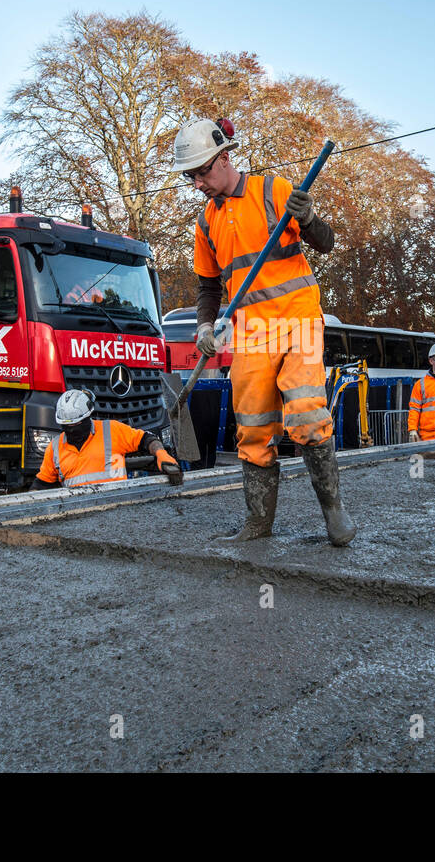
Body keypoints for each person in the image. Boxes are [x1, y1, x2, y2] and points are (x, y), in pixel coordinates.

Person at [174, 116, 356, 546]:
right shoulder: (206, 223)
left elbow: (326, 242)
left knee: (308, 417)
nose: (198, 182)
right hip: (250, 334)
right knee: (253, 429)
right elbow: (208, 285)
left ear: (224, 158)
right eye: (191, 176)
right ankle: (259, 524)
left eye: (202, 172)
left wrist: (309, 217)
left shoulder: (272, 191)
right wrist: (204, 325)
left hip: (298, 321)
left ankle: (334, 513)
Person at [33, 389, 183, 489]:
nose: (72, 429)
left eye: (77, 424)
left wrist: (161, 453)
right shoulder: (55, 448)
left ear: (88, 417)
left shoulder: (111, 430)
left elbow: (146, 439)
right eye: (67, 426)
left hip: (116, 508)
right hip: (76, 515)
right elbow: (41, 485)